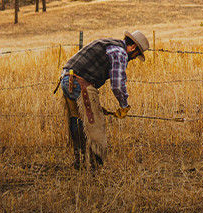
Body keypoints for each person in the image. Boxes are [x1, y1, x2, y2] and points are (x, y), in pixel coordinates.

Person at [58, 30, 150, 169]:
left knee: (76, 119)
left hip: (67, 78)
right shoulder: (120, 53)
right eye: (136, 55)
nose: (134, 58)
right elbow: (117, 84)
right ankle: (96, 164)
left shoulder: (110, 44)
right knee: (96, 122)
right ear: (133, 48)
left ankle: (79, 159)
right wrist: (124, 105)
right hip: (80, 82)